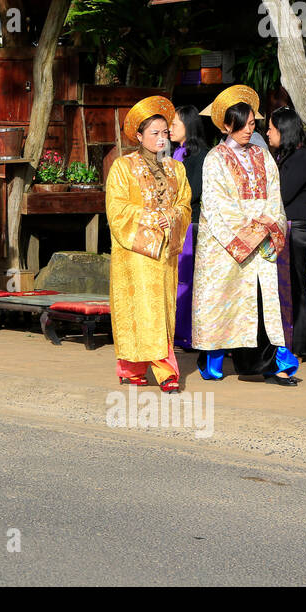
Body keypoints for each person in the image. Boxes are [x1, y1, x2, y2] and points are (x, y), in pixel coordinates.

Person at [191, 89, 298, 385]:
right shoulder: (215, 159)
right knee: (226, 302)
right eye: (241, 125)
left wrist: (269, 223)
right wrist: (254, 226)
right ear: (225, 126)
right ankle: (212, 361)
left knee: (261, 302)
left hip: (260, 242)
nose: (247, 130)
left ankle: (267, 362)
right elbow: (216, 206)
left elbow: (274, 195)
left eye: (252, 124)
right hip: (226, 247)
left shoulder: (262, 155)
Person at [107, 96, 192, 391]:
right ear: (139, 136)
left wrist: (173, 216)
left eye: (164, 132)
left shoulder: (176, 169)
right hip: (134, 255)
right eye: (154, 133)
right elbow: (117, 211)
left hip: (164, 257)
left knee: (160, 311)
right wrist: (156, 218)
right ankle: (143, 368)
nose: (160, 138)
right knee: (137, 310)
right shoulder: (122, 167)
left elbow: (185, 205)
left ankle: (154, 369)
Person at [267, 106, 306, 361]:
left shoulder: (302, 158)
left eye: (272, 128)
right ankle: (288, 341)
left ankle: (300, 345)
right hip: (286, 227)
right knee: (284, 286)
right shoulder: (285, 156)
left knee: (296, 286)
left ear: (283, 131)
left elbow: (283, 194)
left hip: (295, 228)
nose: (267, 133)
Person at [169, 104, 209, 351]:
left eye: (174, 124)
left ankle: (187, 333)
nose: (170, 129)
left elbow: (193, 191)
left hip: (190, 223)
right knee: (175, 279)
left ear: (188, 126)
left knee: (187, 280)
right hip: (173, 222)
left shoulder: (201, 155)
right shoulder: (174, 152)